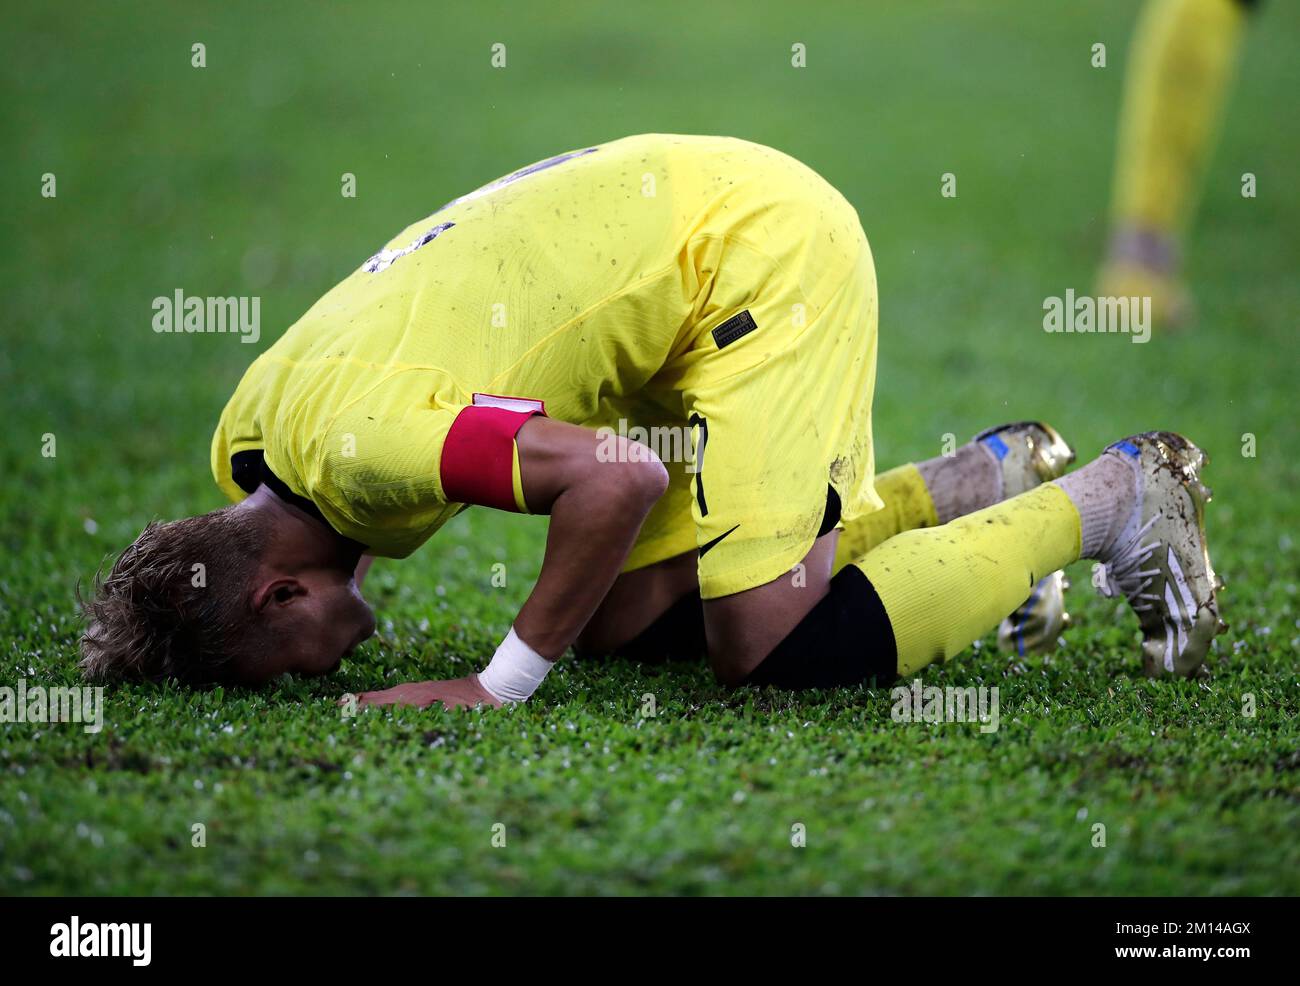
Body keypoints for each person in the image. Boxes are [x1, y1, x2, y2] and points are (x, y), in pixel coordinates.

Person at [80, 135, 1224, 707]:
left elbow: (616, 477)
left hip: (753, 258)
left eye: (276, 671)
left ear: (282, 590)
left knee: (763, 648)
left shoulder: (363, 459)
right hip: (670, 261)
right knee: (632, 623)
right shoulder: (249, 441)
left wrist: (495, 684)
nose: (309, 680)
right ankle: (977, 483)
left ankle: (1121, 498)